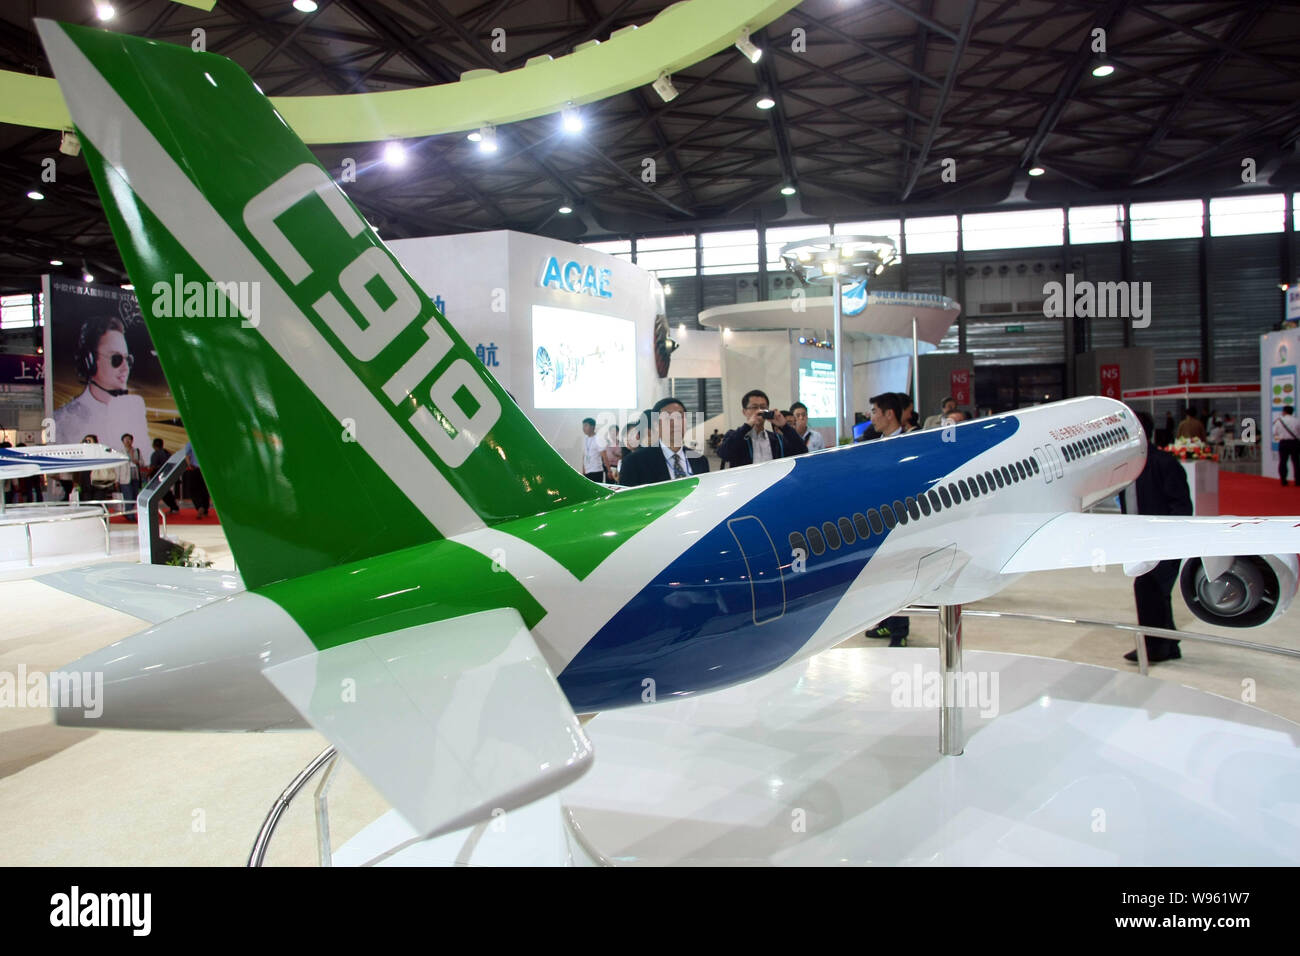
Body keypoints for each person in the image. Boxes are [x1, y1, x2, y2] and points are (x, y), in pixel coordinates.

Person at [1124, 410, 1193, 664]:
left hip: (1160, 541)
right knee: (1154, 591)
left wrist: (1169, 539)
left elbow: (1181, 506)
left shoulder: (1163, 463)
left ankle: (1155, 646)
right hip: (1138, 540)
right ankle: (1167, 644)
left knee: (1149, 589)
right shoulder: (1127, 465)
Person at [53, 314, 149, 451]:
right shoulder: (63, 421)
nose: (125, 368)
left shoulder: (135, 411)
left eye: (128, 360)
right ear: (90, 360)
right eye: (116, 359)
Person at [862, 392, 909, 645]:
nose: (872, 418)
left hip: (903, 521)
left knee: (900, 574)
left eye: (874, 412)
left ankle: (900, 632)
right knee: (882, 577)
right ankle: (887, 623)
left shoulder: (911, 443)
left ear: (889, 414)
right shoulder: (873, 442)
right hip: (877, 521)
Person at [618, 397, 710, 486]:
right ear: (656, 425)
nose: (675, 422)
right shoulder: (634, 462)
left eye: (680, 417)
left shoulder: (700, 460)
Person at [718, 389, 806, 468]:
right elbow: (724, 454)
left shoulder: (776, 439)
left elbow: (802, 451)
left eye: (763, 407)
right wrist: (747, 426)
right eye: (754, 407)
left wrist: (784, 426)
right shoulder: (736, 435)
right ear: (744, 412)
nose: (759, 411)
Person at [117, 432, 145, 521]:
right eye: (126, 440)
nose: (128, 441)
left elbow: (142, 463)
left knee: (134, 496)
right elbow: (117, 467)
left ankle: (128, 512)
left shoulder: (136, 451)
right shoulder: (120, 452)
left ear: (132, 441)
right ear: (122, 441)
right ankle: (130, 515)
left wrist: (137, 461)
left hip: (135, 477)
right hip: (124, 478)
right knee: (128, 496)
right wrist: (116, 480)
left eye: (129, 439)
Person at [150, 437, 179, 514]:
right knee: (167, 492)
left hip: (158, 476)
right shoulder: (167, 453)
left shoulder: (155, 454)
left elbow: (153, 467)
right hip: (168, 475)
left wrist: (148, 474)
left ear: (153, 445)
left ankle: (173, 507)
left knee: (162, 493)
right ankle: (174, 507)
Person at [1274, 404, 1300, 486]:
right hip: (1295, 443)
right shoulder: (1297, 420)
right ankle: (1298, 481)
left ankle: (1283, 480)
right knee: (1296, 462)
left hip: (1283, 443)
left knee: (1283, 461)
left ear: (1284, 412)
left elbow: (1275, 433)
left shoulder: (1279, 421)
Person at [186, 442, 210, 519]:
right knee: (205, 489)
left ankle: (199, 506)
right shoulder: (205, 441)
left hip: (195, 468)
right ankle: (205, 509)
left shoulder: (191, 442)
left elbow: (187, 455)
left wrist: (189, 465)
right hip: (206, 469)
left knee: (193, 490)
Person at [580, 417, 606, 483]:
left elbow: (604, 455)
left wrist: (609, 470)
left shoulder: (599, 438)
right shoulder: (585, 438)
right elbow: (584, 455)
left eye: (586, 426)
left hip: (596, 470)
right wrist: (583, 469)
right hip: (587, 471)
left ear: (592, 427)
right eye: (583, 426)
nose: (583, 428)